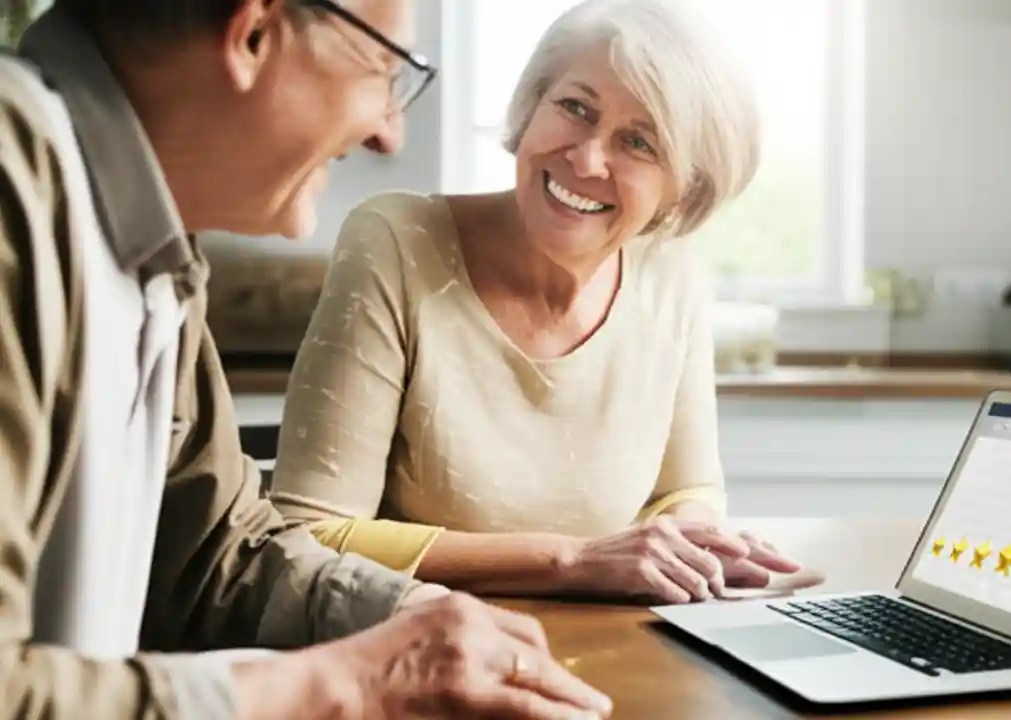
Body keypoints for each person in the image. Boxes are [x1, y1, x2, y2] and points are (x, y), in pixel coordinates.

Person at [0, 1, 610, 718]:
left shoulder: (151, 245)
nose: (390, 132)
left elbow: (215, 557)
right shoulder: (16, 189)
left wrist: (417, 616)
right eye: (385, 71)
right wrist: (345, 685)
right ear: (254, 34)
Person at [271, 0, 803, 605]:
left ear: (684, 192)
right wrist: (572, 560)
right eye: (575, 108)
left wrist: (692, 540)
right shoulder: (397, 240)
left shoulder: (670, 273)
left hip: (612, 645)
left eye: (638, 142)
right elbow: (306, 534)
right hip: (418, 645)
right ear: (532, 107)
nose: (585, 158)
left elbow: (688, 490)